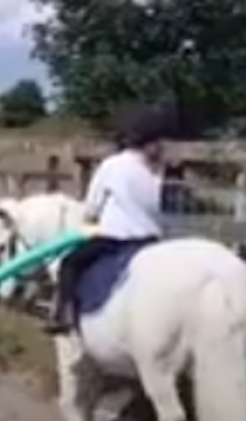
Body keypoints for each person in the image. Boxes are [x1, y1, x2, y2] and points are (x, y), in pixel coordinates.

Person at [45, 106, 172, 334]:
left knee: (69, 264)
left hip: (116, 239)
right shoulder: (156, 170)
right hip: (151, 241)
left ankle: (63, 316)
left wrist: (88, 222)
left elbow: (91, 209)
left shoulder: (113, 165)